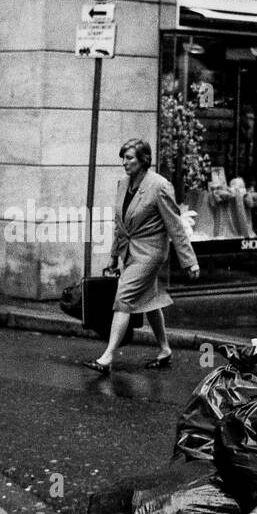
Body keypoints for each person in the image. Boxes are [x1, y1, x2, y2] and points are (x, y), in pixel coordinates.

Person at [83, 138, 200, 375]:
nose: (125, 163)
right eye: (123, 158)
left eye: (130, 158)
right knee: (149, 301)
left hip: (150, 253)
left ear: (143, 160)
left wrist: (190, 261)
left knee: (124, 298)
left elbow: (175, 226)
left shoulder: (159, 186)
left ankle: (107, 357)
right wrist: (113, 255)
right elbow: (119, 224)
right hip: (130, 251)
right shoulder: (123, 183)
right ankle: (165, 349)